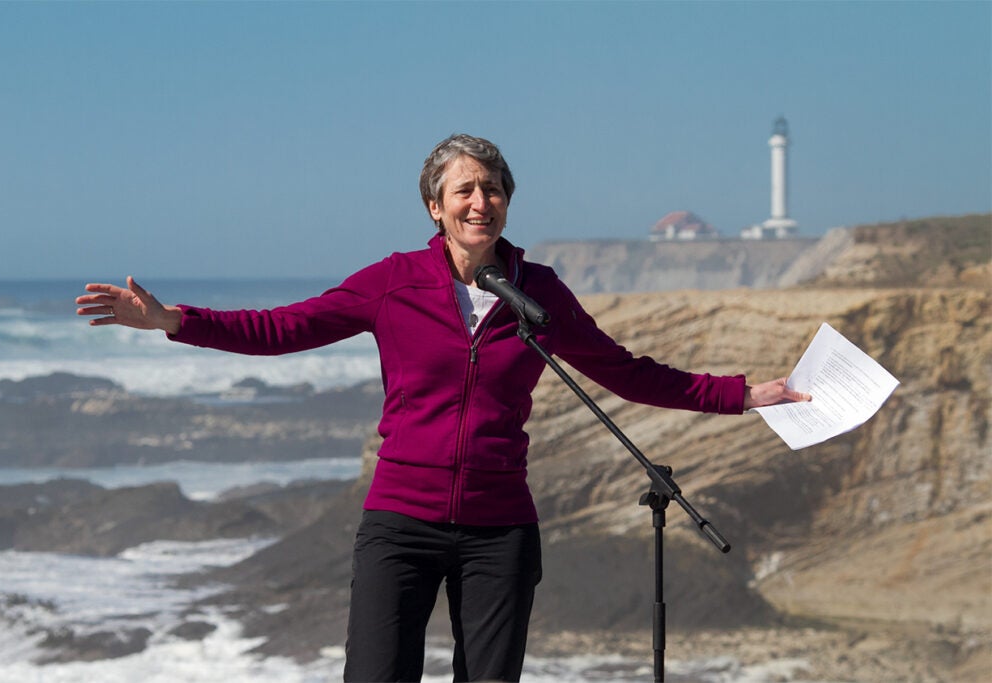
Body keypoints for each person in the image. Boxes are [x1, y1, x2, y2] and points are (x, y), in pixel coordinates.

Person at [76, 133, 809, 682]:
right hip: (401, 524)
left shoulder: (539, 293)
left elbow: (624, 372)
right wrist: (175, 322)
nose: (479, 202)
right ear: (435, 206)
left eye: (491, 189)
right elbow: (283, 328)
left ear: (506, 202)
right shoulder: (392, 283)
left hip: (499, 532)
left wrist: (742, 394)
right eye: (463, 190)